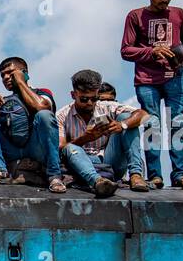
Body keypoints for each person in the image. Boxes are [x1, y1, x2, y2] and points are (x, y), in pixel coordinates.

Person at [121, 0, 183, 188]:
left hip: (175, 78)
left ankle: (180, 175)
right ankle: (155, 175)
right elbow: (126, 50)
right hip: (146, 80)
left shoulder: (179, 14)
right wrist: (152, 52)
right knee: (151, 125)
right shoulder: (135, 16)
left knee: (177, 124)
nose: (164, 0)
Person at [0, 56, 63, 193]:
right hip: (11, 150)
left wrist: (20, 81)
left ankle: (54, 175)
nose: (6, 77)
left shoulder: (42, 93)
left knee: (44, 115)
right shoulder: (2, 101)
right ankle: (0, 169)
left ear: (24, 73)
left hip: (35, 149)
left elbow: (41, 107)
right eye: (2, 75)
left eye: (11, 73)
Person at [55, 68, 149, 196]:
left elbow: (143, 115)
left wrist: (122, 125)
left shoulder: (106, 107)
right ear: (73, 95)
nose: (89, 103)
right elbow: (61, 147)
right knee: (70, 147)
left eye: (94, 99)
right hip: (80, 163)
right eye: (84, 99)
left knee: (126, 119)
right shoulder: (62, 115)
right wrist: (85, 138)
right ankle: (98, 182)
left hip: (109, 163)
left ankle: (136, 175)